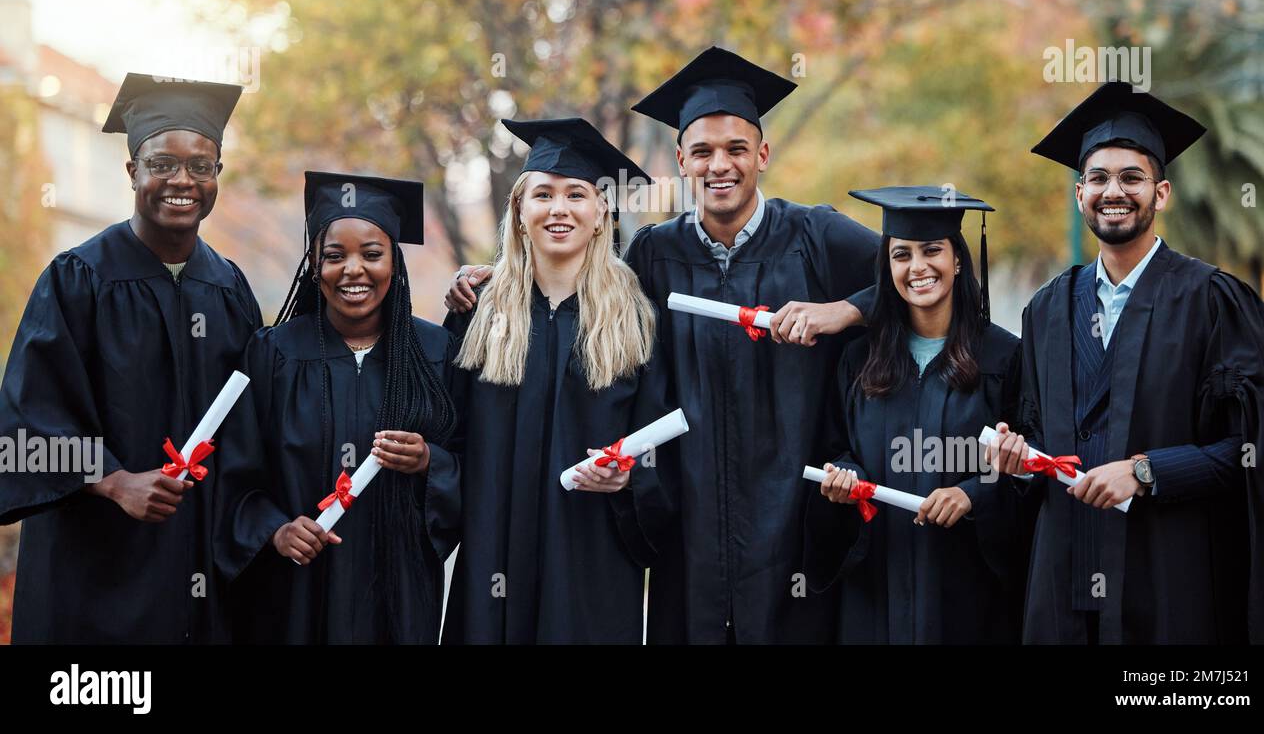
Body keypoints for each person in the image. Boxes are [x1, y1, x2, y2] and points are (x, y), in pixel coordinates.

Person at [446, 48, 880, 643]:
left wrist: (841, 310)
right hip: (693, 511)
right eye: (701, 152)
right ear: (681, 161)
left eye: (735, 149)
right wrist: (492, 278)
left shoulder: (814, 235)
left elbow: (920, 278)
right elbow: (577, 288)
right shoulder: (654, 253)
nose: (719, 165)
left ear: (763, 154)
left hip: (790, 498)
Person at [989, 80, 1264, 643]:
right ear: (1080, 193)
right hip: (1061, 589)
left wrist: (1145, 471)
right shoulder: (1046, 309)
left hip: (1167, 585)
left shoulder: (1214, 302)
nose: (1115, 191)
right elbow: (1034, 437)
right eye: (1099, 179)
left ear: (1161, 194)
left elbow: (1256, 452)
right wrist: (1017, 455)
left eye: (1132, 177)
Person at [0, 73, 260, 643]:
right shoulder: (77, 280)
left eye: (200, 166)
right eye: (162, 164)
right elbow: (26, 427)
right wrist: (115, 481)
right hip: (95, 569)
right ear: (133, 172)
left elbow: (255, 423)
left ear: (217, 175)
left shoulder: (229, 288)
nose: (182, 181)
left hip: (200, 563)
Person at [442, 117, 673, 644]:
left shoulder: (635, 324)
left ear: (600, 215)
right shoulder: (476, 314)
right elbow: (449, 441)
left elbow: (658, 449)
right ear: (519, 214)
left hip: (589, 560)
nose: (559, 208)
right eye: (542, 195)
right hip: (492, 557)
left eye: (576, 194)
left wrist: (629, 479)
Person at [215, 173, 459, 644]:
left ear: (394, 263)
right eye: (334, 256)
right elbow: (236, 473)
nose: (353, 270)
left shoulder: (434, 354)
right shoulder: (273, 354)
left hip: (399, 594)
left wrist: (431, 461)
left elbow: (475, 463)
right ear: (313, 263)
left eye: (372, 254)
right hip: (295, 593)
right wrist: (276, 530)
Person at [805, 187, 1032, 643]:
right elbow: (836, 448)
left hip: (969, 597)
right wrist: (844, 478)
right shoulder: (857, 360)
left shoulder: (1004, 357)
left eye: (932, 251)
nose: (918, 268)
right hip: (875, 591)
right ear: (887, 269)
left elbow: (1031, 467)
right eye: (901, 255)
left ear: (959, 259)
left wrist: (974, 494)